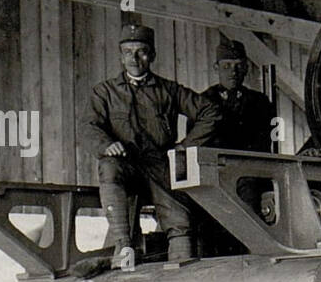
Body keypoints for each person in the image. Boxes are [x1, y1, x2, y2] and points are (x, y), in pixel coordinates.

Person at [82, 23, 221, 265]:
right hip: (125, 164)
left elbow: (211, 112)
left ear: (152, 55)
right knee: (109, 167)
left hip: (159, 163)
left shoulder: (168, 90)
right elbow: (88, 126)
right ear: (120, 56)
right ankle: (124, 246)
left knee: (180, 222)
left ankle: (182, 271)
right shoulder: (104, 92)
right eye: (127, 52)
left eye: (141, 51)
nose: (134, 58)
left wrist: (186, 146)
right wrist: (106, 144)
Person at [201, 40, 277, 154]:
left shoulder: (261, 102)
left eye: (239, 66)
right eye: (227, 66)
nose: (233, 72)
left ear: (246, 68)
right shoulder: (202, 101)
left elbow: (267, 142)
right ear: (216, 68)